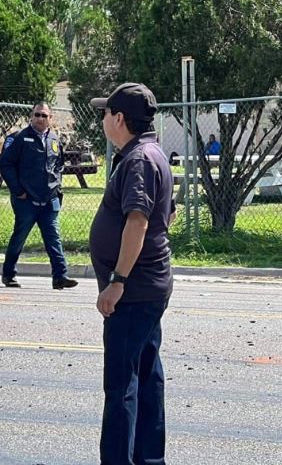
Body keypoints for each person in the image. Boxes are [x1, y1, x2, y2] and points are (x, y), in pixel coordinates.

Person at [89, 82, 175, 465]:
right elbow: (167, 215)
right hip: (149, 287)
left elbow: (138, 222)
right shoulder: (151, 153)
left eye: (106, 113)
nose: (104, 119)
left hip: (134, 289)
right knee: (147, 378)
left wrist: (117, 281)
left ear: (119, 118)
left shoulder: (138, 159)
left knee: (122, 385)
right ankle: (149, 459)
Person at [0, 102, 78, 290]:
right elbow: (6, 165)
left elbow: (58, 165)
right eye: (37, 115)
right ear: (31, 116)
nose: (40, 118)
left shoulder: (54, 139)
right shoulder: (18, 138)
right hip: (26, 200)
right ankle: (8, 274)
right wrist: (18, 190)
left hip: (49, 198)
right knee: (20, 236)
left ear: (51, 118)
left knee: (53, 236)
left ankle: (60, 276)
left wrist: (56, 186)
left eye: (44, 115)